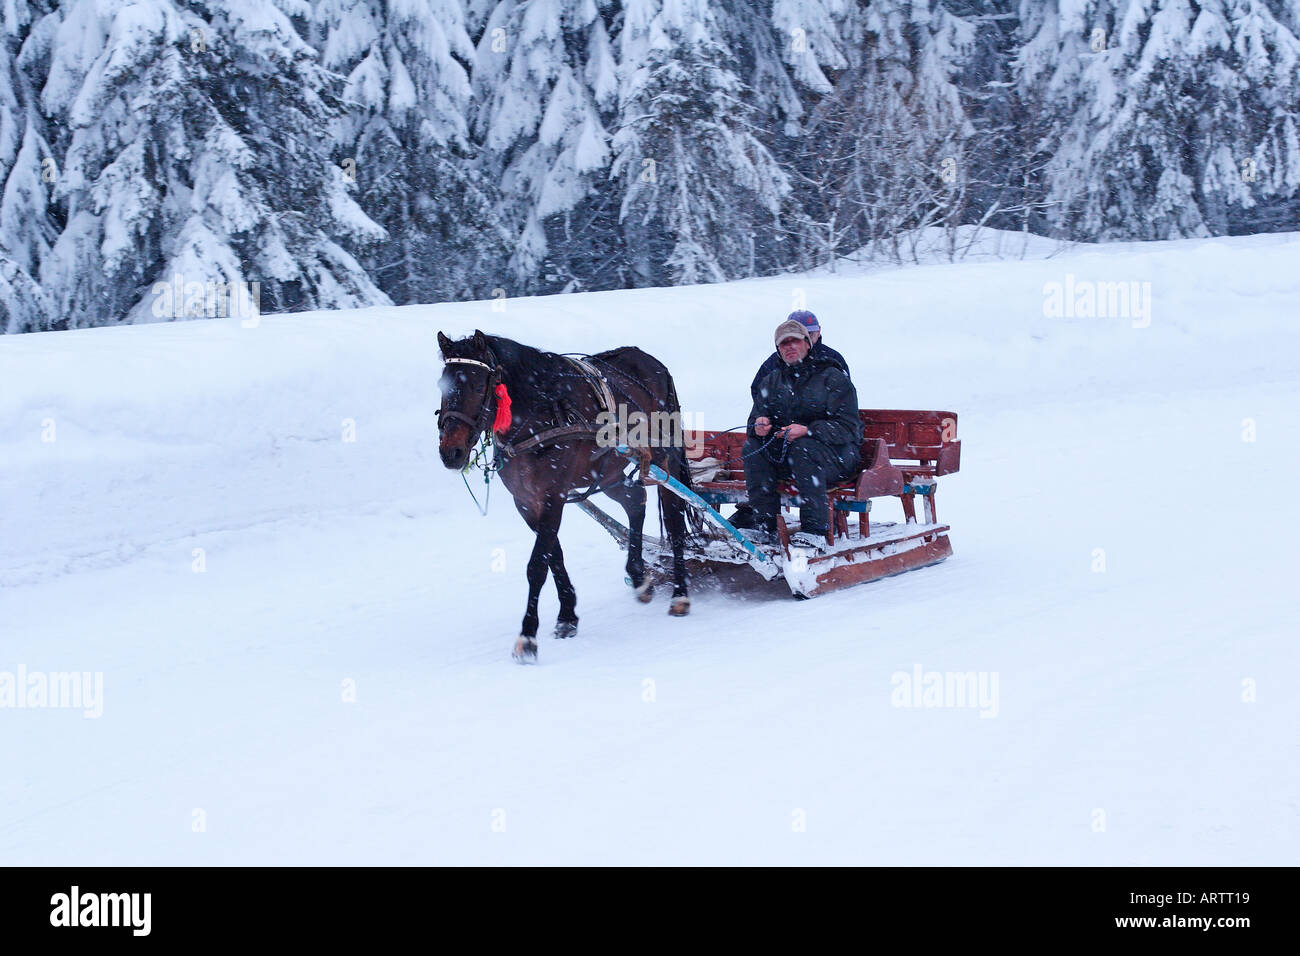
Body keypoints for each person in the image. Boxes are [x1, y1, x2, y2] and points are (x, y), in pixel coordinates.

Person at [741, 319, 862, 550]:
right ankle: (764, 526)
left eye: (794, 341)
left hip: (838, 457)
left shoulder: (832, 377)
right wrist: (759, 425)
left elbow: (849, 428)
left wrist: (809, 430)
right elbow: (752, 424)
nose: (789, 347)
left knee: (804, 448)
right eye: (783, 343)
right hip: (791, 457)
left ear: (807, 343)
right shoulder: (772, 380)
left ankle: (815, 530)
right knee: (753, 450)